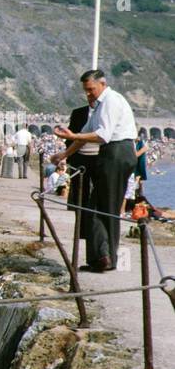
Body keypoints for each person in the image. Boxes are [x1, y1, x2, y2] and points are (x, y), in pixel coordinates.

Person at [52, 70, 138, 272]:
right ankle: (103, 257)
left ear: (103, 84)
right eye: (86, 91)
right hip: (112, 154)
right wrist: (64, 153)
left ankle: (104, 258)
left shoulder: (111, 101)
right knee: (96, 207)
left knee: (103, 207)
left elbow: (103, 135)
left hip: (117, 152)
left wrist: (74, 136)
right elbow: (82, 136)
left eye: (91, 90)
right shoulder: (99, 106)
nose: (88, 94)